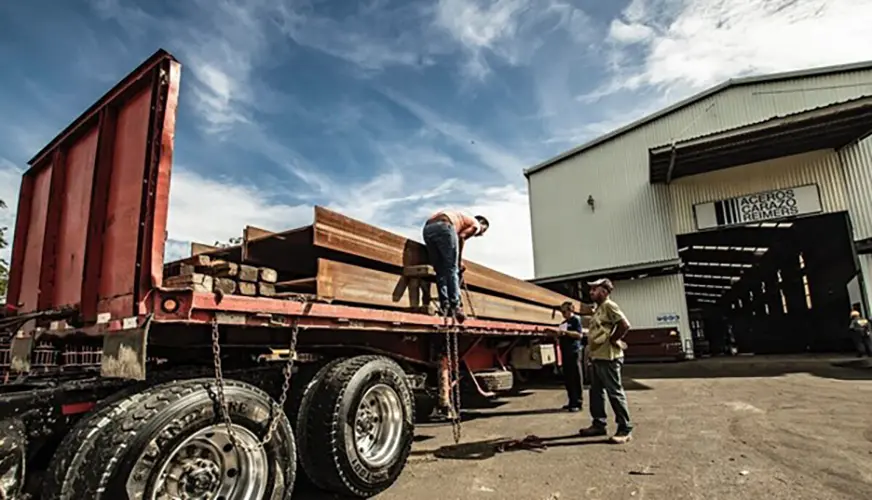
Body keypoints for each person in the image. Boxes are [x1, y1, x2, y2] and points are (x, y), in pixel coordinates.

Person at [578, 278, 634, 444]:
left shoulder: (610, 306)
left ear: (604, 291)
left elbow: (624, 325)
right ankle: (598, 424)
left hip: (609, 358)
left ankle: (625, 429)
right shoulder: (599, 309)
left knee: (614, 393)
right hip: (597, 358)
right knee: (596, 392)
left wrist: (613, 339)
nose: (591, 292)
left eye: (594, 289)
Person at [422, 210, 489, 323]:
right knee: (452, 269)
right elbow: (461, 237)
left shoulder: (461, 218)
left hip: (428, 229)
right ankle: (456, 306)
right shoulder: (476, 225)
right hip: (445, 226)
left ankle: (445, 305)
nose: (481, 234)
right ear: (482, 224)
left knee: (440, 270)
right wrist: (459, 260)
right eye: (483, 231)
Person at [556, 301, 586, 412]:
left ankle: (578, 402)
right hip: (565, 352)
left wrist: (566, 333)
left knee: (575, 377)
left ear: (570, 310)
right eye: (561, 312)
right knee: (568, 378)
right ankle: (571, 401)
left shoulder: (575, 320)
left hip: (574, 352)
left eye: (564, 311)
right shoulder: (564, 322)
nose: (563, 314)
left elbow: (579, 335)